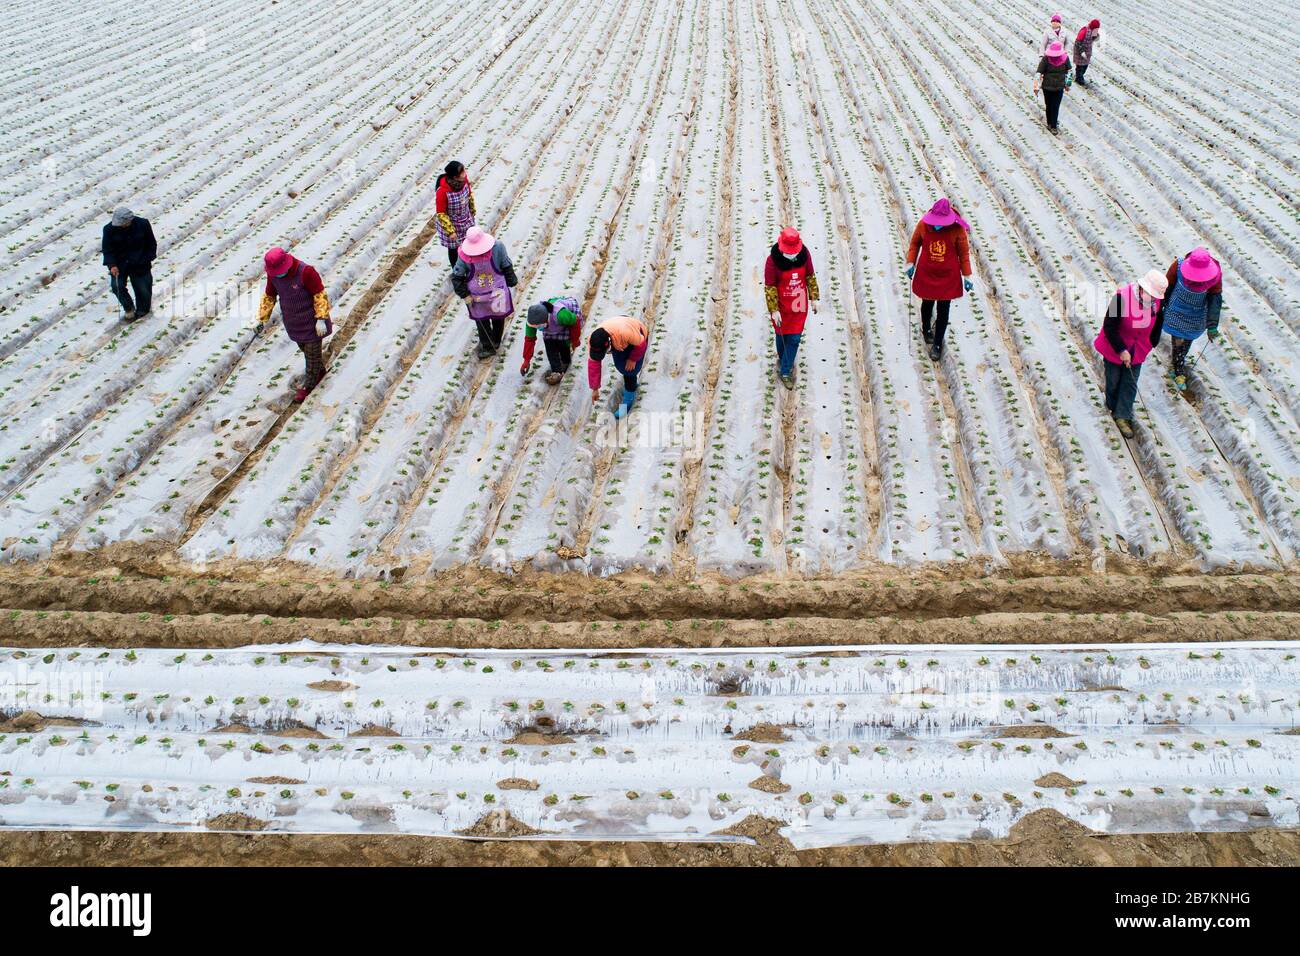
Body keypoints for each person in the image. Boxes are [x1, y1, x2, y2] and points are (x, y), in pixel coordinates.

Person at [1093, 269, 1168, 438]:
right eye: (1150, 293)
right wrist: (1121, 350)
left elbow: (1158, 326)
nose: (1153, 298)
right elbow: (1109, 327)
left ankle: (1122, 416)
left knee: (1130, 383)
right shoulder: (1121, 298)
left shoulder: (1157, 304)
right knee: (1113, 381)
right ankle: (1112, 405)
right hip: (1114, 346)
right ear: (1142, 288)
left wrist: (1151, 343)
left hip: (1138, 349)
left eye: (1155, 295)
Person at [258, 247, 333, 402]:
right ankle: (319, 371)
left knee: (311, 355)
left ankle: (309, 386)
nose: (278, 274)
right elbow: (269, 296)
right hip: (294, 323)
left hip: (313, 324)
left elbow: (319, 295)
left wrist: (321, 319)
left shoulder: (306, 272)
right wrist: (262, 318)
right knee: (306, 350)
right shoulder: (273, 275)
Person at [906, 198, 974, 361]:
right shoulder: (923, 225)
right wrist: (910, 263)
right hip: (927, 272)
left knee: (944, 309)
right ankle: (927, 329)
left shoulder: (957, 229)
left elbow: (963, 254)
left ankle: (937, 344)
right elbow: (915, 244)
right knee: (927, 303)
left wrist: (967, 276)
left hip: (947, 276)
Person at [764, 227, 820, 390]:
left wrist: (814, 297)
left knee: (794, 339)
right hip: (781, 305)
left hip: (798, 304)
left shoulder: (804, 255)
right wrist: (774, 310)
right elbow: (770, 286)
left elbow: (810, 275)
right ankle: (783, 359)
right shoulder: (772, 261)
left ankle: (786, 371)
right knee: (781, 335)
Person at [1161, 247, 1223, 390]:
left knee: (1187, 339)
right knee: (1177, 339)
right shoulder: (1178, 266)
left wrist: (1212, 325)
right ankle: (1178, 368)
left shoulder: (1215, 275)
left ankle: (1179, 362)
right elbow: (1166, 287)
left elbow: (1215, 300)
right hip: (1177, 310)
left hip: (1196, 314)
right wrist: (1159, 306)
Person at [452, 226, 517, 359]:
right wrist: (465, 295)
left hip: (496, 292)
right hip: (477, 297)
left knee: (498, 317)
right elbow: (457, 277)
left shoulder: (497, 247)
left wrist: (511, 279)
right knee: (483, 320)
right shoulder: (463, 255)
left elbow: (506, 265)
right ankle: (488, 346)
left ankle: (496, 341)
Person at [101, 207, 157, 321]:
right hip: (120, 263)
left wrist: (147, 258)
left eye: (123, 224)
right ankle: (129, 307)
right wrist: (112, 265)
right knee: (117, 286)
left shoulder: (142, 224)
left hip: (140, 262)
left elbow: (151, 243)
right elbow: (107, 249)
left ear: (130, 220)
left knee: (143, 289)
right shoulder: (108, 229)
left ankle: (142, 311)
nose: (120, 226)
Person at [588, 315, 648, 419]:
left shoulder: (625, 333)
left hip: (637, 333)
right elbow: (594, 364)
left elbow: (641, 343)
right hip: (617, 336)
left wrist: (633, 359)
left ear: (608, 344)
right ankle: (631, 386)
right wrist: (595, 388)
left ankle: (628, 399)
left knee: (630, 370)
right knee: (621, 365)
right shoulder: (593, 341)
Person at [521, 296, 583, 384]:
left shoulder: (560, 315)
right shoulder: (532, 320)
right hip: (552, 326)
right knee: (549, 344)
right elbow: (529, 339)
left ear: (546, 319)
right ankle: (556, 371)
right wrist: (526, 360)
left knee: (563, 343)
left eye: (539, 326)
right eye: (535, 327)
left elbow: (575, 322)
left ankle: (565, 361)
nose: (538, 329)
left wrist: (574, 340)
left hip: (569, 319)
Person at [435, 161, 476, 266]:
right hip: (452, 223)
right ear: (455, 177)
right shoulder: (442, 192)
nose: (465, 174)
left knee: (470, 242)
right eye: (462, 173)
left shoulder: (464, 181)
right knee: (454, 249)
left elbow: (469, 196)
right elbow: (441, 214)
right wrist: (450, 231)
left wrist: (472, 210)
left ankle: (471, 264)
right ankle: (457, 270)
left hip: (466, 218)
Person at [1035, 41, 1073, 134]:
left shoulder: (1046, 58)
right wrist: (1068, 84)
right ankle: (1052, 125)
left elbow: (1038, 73)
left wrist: (1036, 87)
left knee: (1050, 106)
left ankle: (1052, 124)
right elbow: (1070, 72)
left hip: (1050, 87)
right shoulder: (1064, 58)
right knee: (1054, 106)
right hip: (1056, 87)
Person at [1073, 19, 1100, 87]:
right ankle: (1079, 79)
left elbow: (1093, 39)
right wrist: (1082, 52)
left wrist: (1096, 36)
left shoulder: (1094, 31)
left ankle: (1080, 75)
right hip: (1079, 51)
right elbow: (1077, 43)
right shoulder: (1084, 31)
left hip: (1087, 52)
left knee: (1085, 66)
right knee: (1079, 67)